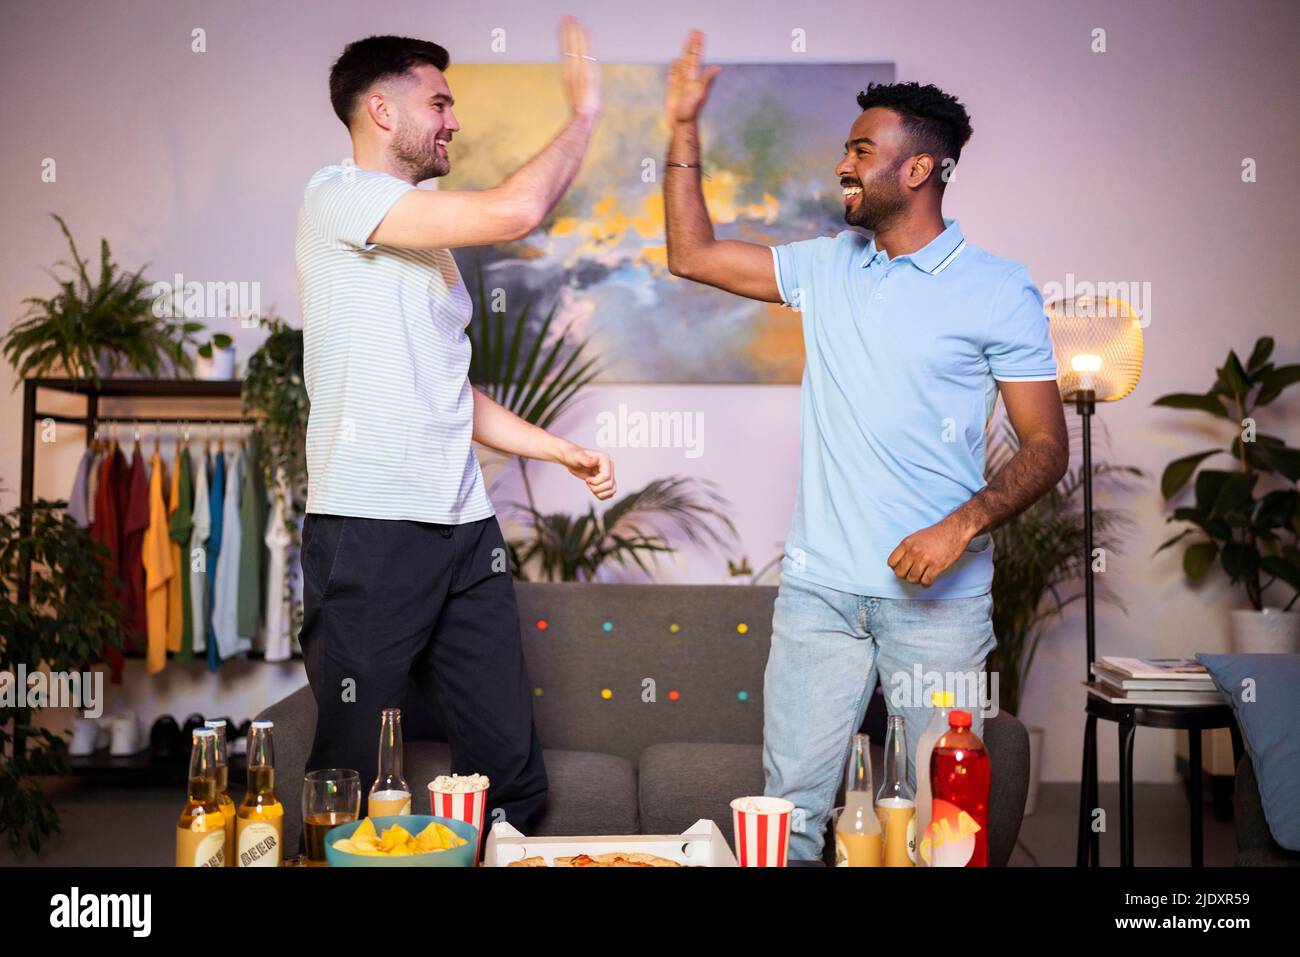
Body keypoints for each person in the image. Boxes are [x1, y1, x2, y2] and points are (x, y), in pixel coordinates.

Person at [662, 30, 1068, 861]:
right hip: (819, 598)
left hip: (940, 612)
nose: (841, 166)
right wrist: (681, 131)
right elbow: (691, 254)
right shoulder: (829, 265)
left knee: (943, 830)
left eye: (859, 151)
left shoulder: (998, 289)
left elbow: (1046, 445)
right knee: (791, 818)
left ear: (917, 170)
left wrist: (959, 527)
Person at [294, 19, 613, 833]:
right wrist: (582, 116)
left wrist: (554, 445)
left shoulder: (427, 242)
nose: (453, 120)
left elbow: (448, 390)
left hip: (464, 525)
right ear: (381, 111)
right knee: (351, 768)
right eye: (438, 102)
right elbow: (518, 210)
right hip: (370, 524)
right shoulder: (339, 195)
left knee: (510, 770)